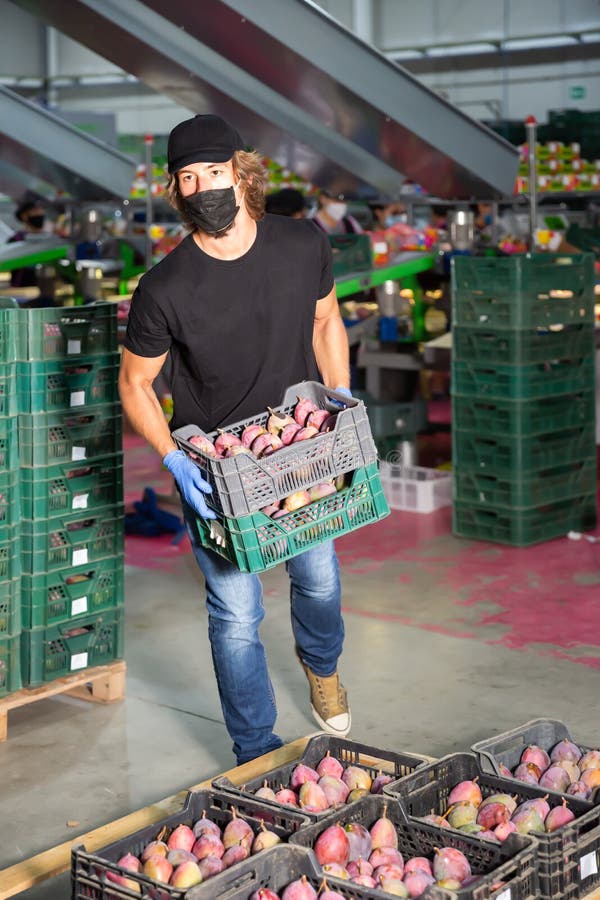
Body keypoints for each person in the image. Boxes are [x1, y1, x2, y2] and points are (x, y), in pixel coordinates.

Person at [119, 113, 352, 765]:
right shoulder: (164, 288)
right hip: (219, 470)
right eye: (188, 178)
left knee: (319, 579)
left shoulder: (302, 244)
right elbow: (134, 384)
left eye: (213, 173)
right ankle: (255, 745)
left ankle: (323, 668)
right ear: (177, 190)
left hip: (303, 452)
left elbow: (327, 320)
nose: (203, 189)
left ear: (241, 174)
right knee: (234, 613)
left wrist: (341, 395)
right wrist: (171, 456)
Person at [7, 199, 47, 288]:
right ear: (24, 216)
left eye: (41, 211)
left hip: (48, 288)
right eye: (35, 211)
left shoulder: (51, 239)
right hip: (23, 288)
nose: (39, 214)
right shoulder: (16, 239)